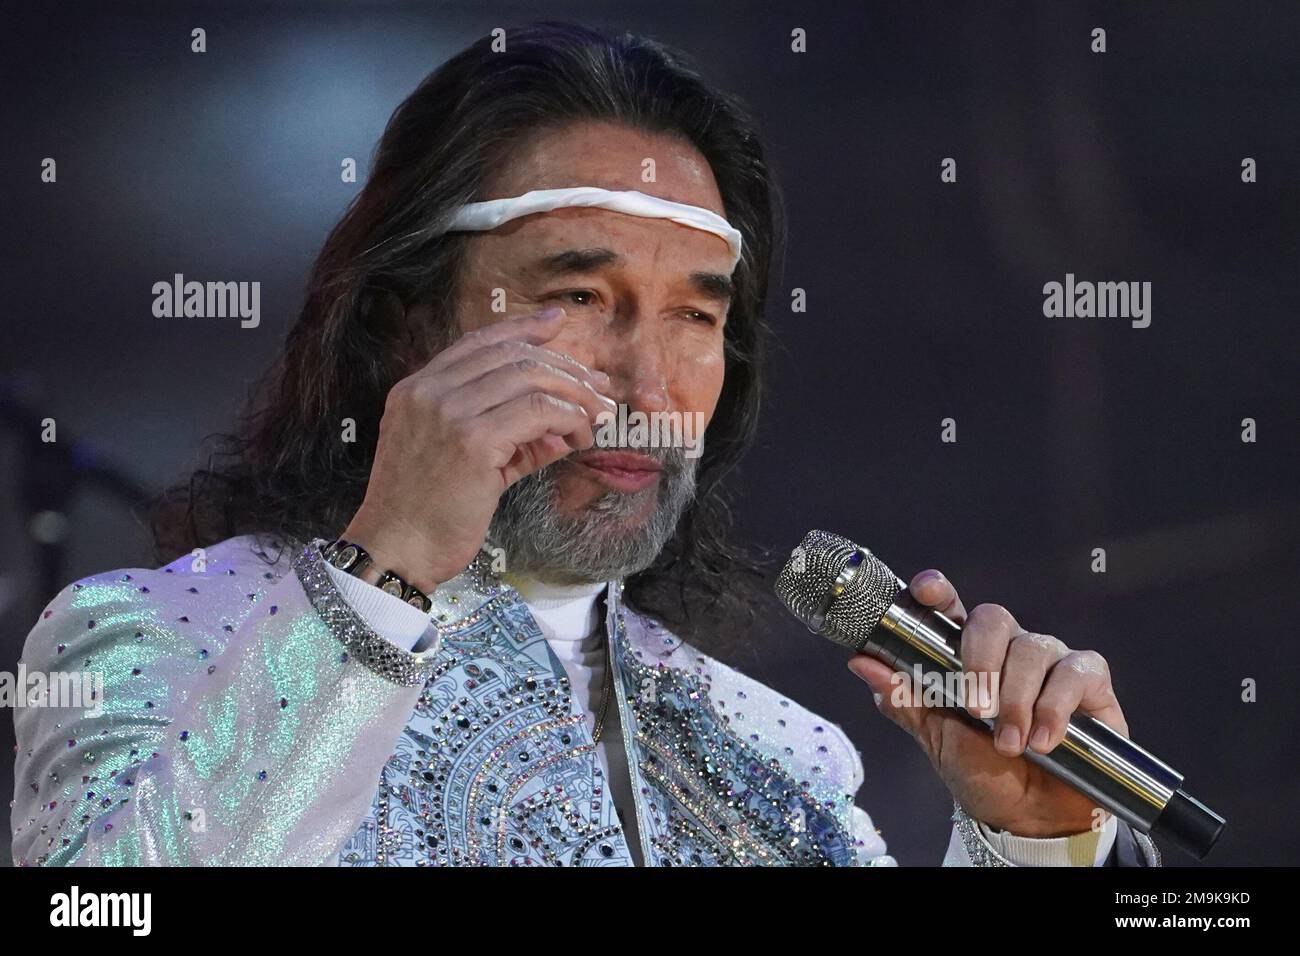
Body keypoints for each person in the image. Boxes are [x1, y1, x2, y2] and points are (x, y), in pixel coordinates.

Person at [11, 21, 1158, 867]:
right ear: (411, 316)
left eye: (696, 316)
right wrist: (386, 566)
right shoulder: (157, 639)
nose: (647, 385)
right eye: (577, 295)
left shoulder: (781, 756)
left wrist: (1031, 839)